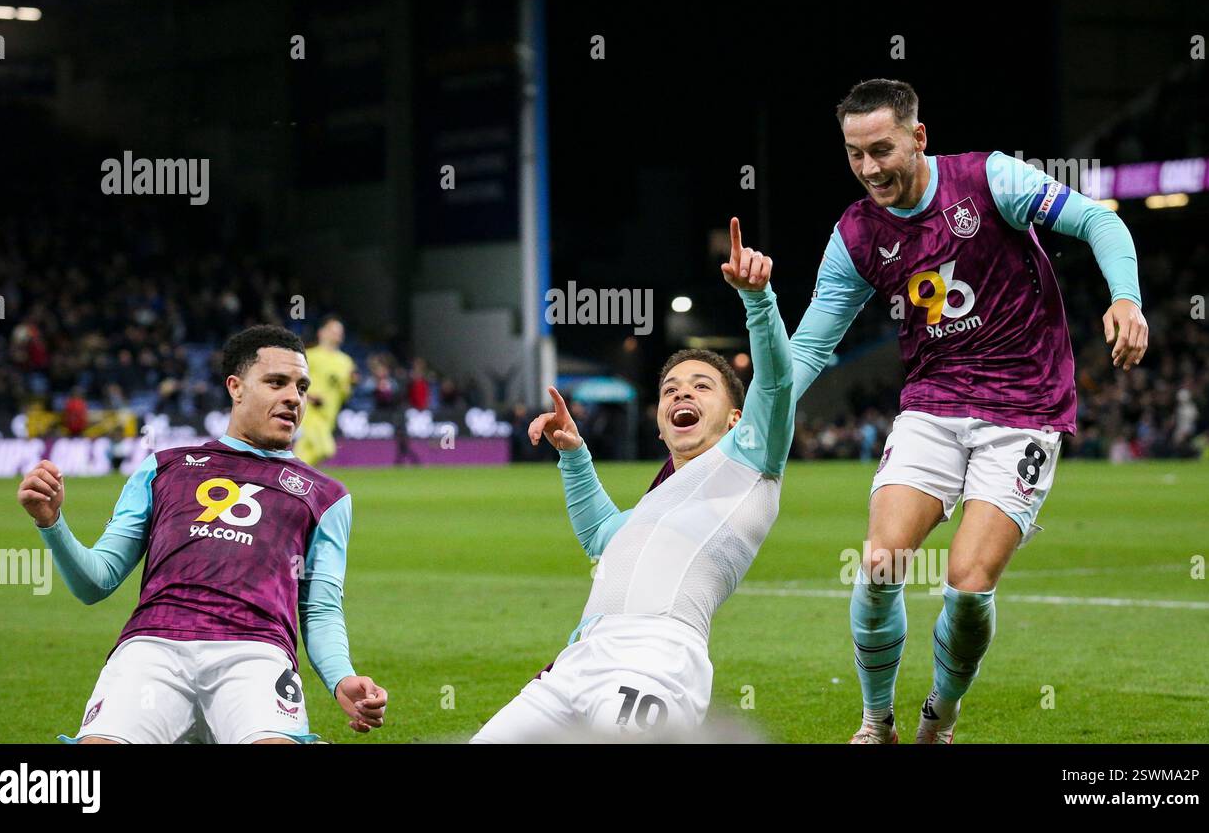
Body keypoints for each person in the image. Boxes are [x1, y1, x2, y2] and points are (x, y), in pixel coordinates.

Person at [789, 79, 1148, 743]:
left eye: (882, 150)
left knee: (966, 584)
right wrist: (762, 417)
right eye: (854, 154)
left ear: (918, 137)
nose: (869, 169)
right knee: (879, 567)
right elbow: (812, 343)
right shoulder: (857, 235)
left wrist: (1125, 297)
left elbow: (1098, 218)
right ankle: (875, 722)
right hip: (932, 404)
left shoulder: (988, 181)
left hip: (1025, 409)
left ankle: (940, 718)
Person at [472, 218, 794, 742]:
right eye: (669, 389)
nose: (680, 395)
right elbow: (603, 538)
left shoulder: (748, 464)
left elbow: (778, 384)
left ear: (738, 418)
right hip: (574, 664)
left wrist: (759, 300)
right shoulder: (661, 500)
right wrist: (574, 456)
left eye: (701, 386)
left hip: (655, 661)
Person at [17, 325, 386, 743]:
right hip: (152, 647)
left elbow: (319, 610)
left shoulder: (326, 496)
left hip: (255, 652)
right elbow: (95, 581)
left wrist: (342, 678)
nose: (293, 398)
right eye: (276, 382)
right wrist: (51, 523)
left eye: (301, 387)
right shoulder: (164, 468)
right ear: (236, 387)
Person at [294, 316, 357, 467]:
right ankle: (294, 472)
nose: (338, 334)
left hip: (329, 415)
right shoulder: (310, 356)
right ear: (322, 332)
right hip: (310, 411)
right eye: (334, 331)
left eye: (340, 332)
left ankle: (291, 474)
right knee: (326, 449)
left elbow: (345, 393)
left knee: (308, 449)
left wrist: (350, 384)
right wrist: (309, 396)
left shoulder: (346, 361)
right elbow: (295, 381)